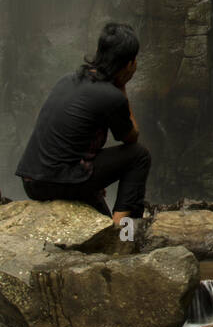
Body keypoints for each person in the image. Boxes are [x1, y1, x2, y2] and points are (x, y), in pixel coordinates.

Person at [16, 22, 150, 226]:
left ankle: (110, 227)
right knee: (139, 156)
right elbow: (131, 137)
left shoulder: (67, 79)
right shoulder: (112, 95)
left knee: (99, 218)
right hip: (58, 180)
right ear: (129, 64)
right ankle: (123, 231)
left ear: (98, 51)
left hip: (32, 181)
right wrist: (122, 86)